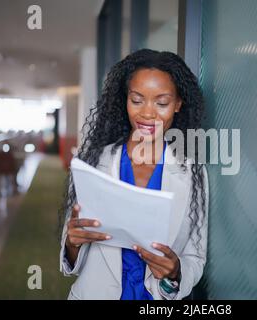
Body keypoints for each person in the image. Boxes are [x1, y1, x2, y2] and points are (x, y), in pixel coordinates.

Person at [59, 49, 209, 300]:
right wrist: (71, 244)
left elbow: (195, 256)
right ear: (125, 100)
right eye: (137, 100)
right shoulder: (93, 162)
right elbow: (71, 255)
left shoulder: (193, 173)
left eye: (161, 103)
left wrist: (175, 273)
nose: (148, 113)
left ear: (178, 105)